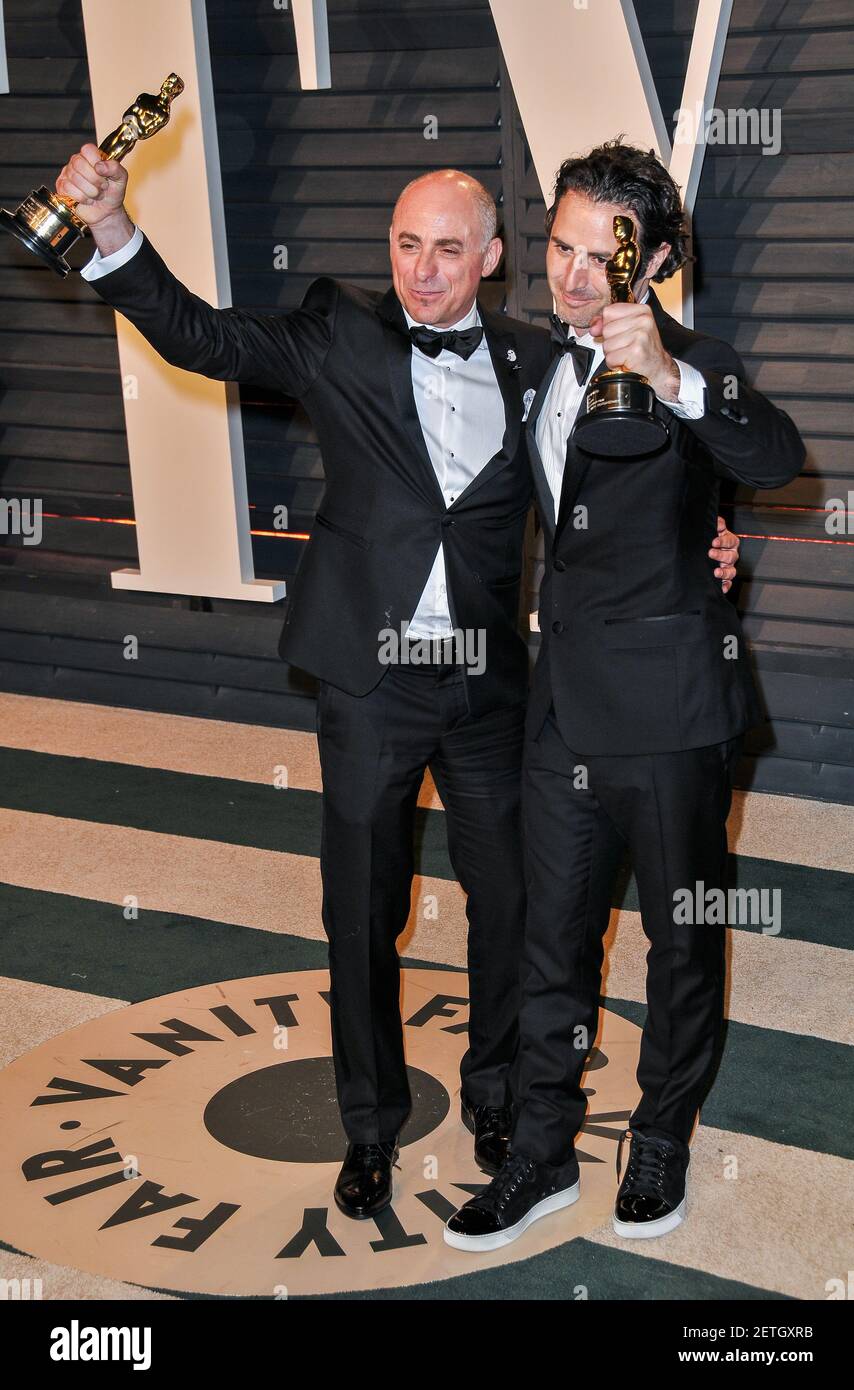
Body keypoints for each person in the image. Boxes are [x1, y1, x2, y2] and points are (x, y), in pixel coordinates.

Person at [56, 144, 740, 1221]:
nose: (423, 271)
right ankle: (368, 1125)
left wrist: (711, 542)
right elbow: (200, 335)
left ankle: (500, 1100)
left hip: (489, 688)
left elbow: (636, 484)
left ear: (492, 258)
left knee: (513, 906)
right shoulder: (336, 335)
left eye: (448, 250)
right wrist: (109, 229)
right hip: (368, 680)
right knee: (360, 912)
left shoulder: (536, 362)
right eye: (407, 246)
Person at [444, 141, 805, 1252]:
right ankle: (541, 1151)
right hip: (558, 709)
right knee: (548, 940)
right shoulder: (533, 359)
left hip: (670, 712)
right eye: (557, 246)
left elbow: (774, 455)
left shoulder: (697, 363)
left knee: (680, 940)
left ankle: (657, 1141)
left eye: (597, 255)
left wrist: (671, 379)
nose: (569, 274)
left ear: (648, 263)